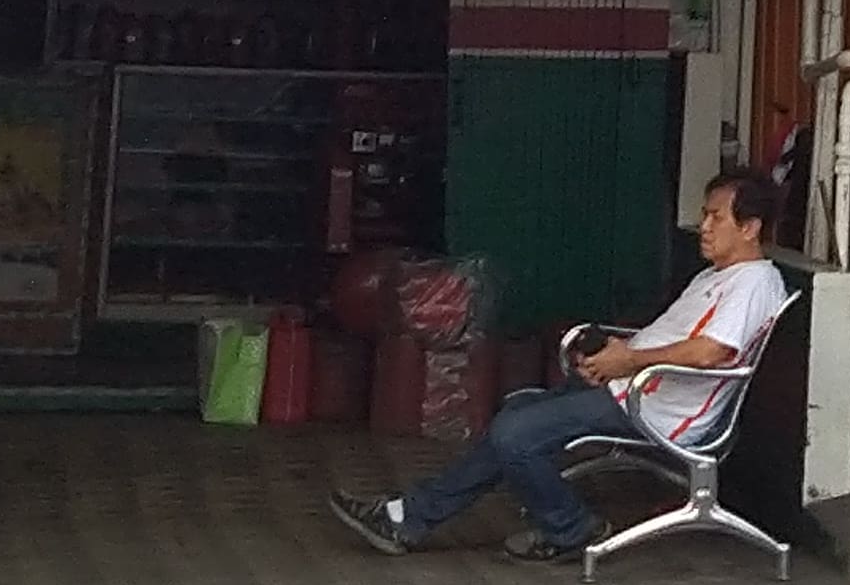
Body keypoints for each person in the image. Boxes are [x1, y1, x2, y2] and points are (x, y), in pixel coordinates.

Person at [330, 171, 791, 562]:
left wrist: (629, 360)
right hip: (633, 387)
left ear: (749, 227)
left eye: (716, 217)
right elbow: (674, 341)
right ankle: (406, 518)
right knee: (516, 412)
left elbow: (710, 352)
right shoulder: (714, 276)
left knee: (516, 434)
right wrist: (613, 359)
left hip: (661, 410)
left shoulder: (753, 282)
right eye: (705, 214)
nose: (704, 226)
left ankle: (572, 528)